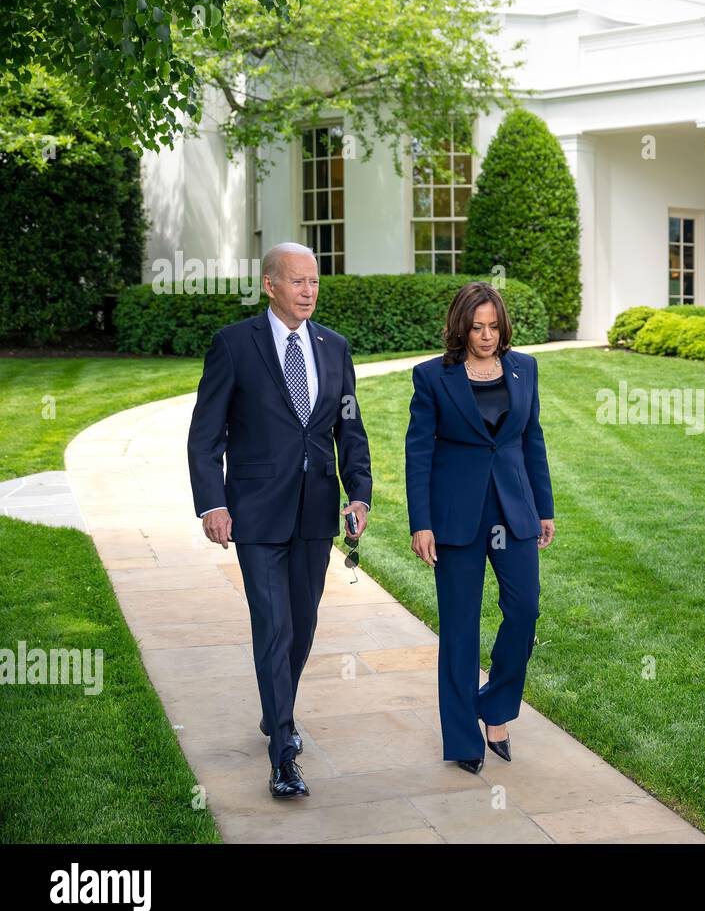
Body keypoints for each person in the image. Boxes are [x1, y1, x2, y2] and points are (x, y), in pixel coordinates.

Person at [186, 241, 372, 799]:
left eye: (314, 282)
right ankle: (283, 750)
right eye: (297, 282)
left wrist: (358, 495)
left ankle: (276, 708)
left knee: (303, 624)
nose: (309, 292)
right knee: (273, 625)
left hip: (316, 510)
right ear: (270, 285)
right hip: (256, 513)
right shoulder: (233, 345)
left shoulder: (334, 348)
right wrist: (212, 502)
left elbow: (350, 429)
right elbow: (205, 435)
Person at [405, 281, 555, 774]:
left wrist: (544, 508)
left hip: (513, 511)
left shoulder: (524, 368)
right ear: (462, 327)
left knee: (525, 610)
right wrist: (421, 522)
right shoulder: (432, 377)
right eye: (477, 327)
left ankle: (495, 704)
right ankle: (463, 739)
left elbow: (532, 439)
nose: (486, 336)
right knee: (460, 628)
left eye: (493, 326)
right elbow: (419, 452)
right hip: (455, 518)